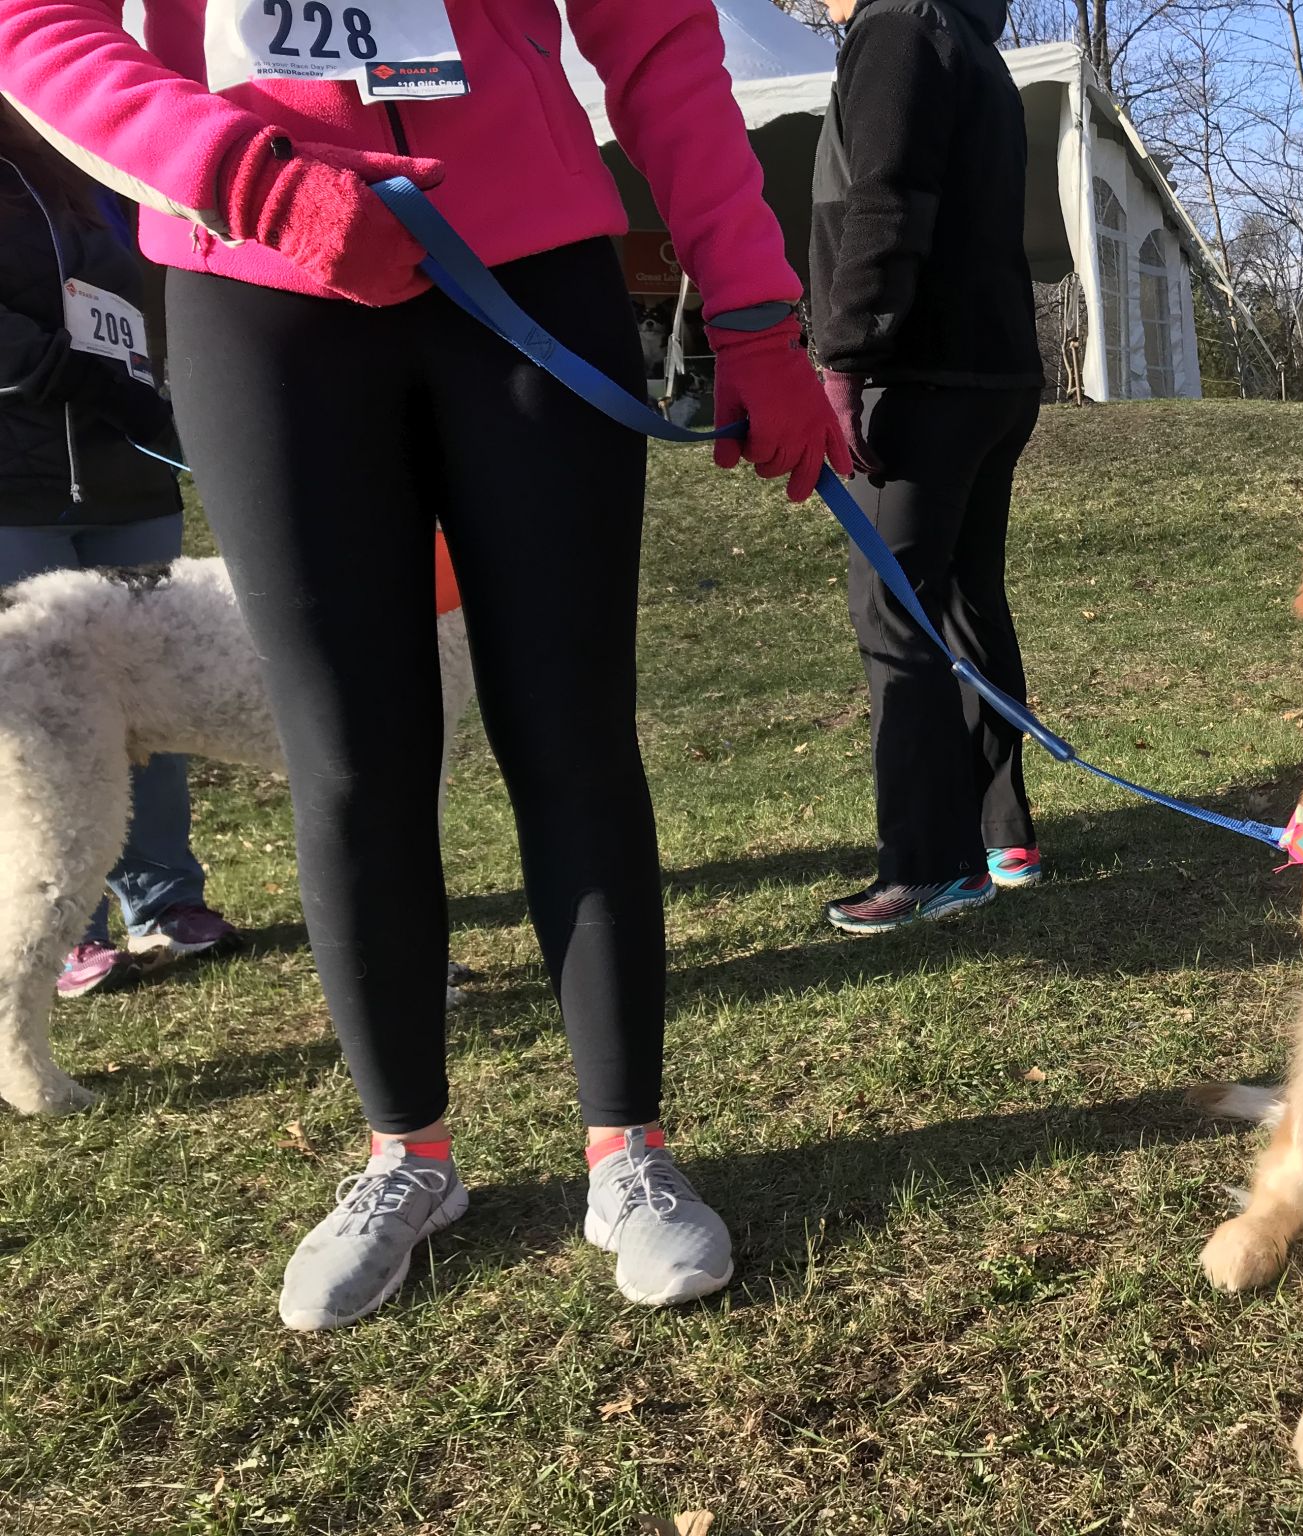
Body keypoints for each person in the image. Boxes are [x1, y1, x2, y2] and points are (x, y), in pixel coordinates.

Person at [0, 0, 847, 1329]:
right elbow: (36, 25)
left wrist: (752, 310)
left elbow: (659, 34)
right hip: (256, 280)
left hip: (526, 255)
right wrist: (247, 175)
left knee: (570, 734)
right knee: (351, 758)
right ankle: (412, 1159)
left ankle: (627, 1152)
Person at [810, 0, 1048, 935]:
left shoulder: (897, 28)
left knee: (895, 613)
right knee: (962, 599)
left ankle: (929, 863)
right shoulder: (965, 37)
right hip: (991, 372)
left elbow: (886, 197)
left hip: (919, 374)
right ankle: (1000, 835)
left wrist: (843, 354)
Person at [0, 104, 238, 998]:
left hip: (123, 476)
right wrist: (47, 366)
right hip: (14, 486)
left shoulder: (89, 170)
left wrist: (154, 393)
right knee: (39, 721)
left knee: (154, 699)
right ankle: (65, 924)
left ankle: (164, 896)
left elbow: (153, 299)